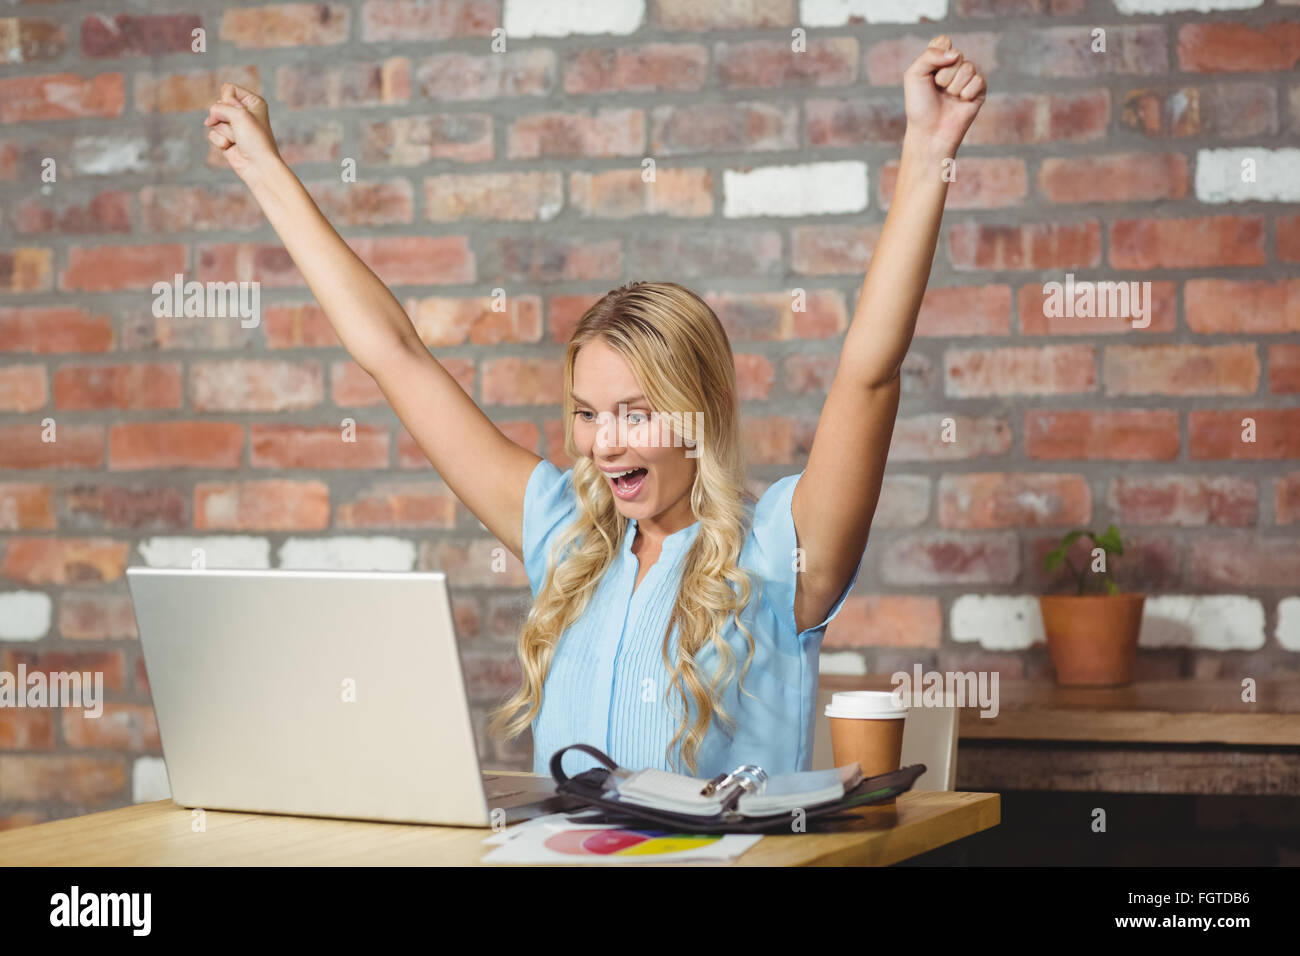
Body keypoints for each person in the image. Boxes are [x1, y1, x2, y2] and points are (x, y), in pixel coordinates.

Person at [203, 35, 987, 779]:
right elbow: (395, 357)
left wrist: (928, 153)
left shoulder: (782, 555)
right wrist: (262, 168)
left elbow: (869, 375)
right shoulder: (565, 538)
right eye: (586, 413)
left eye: (636, 413)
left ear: (697, 416)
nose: (605, 444)